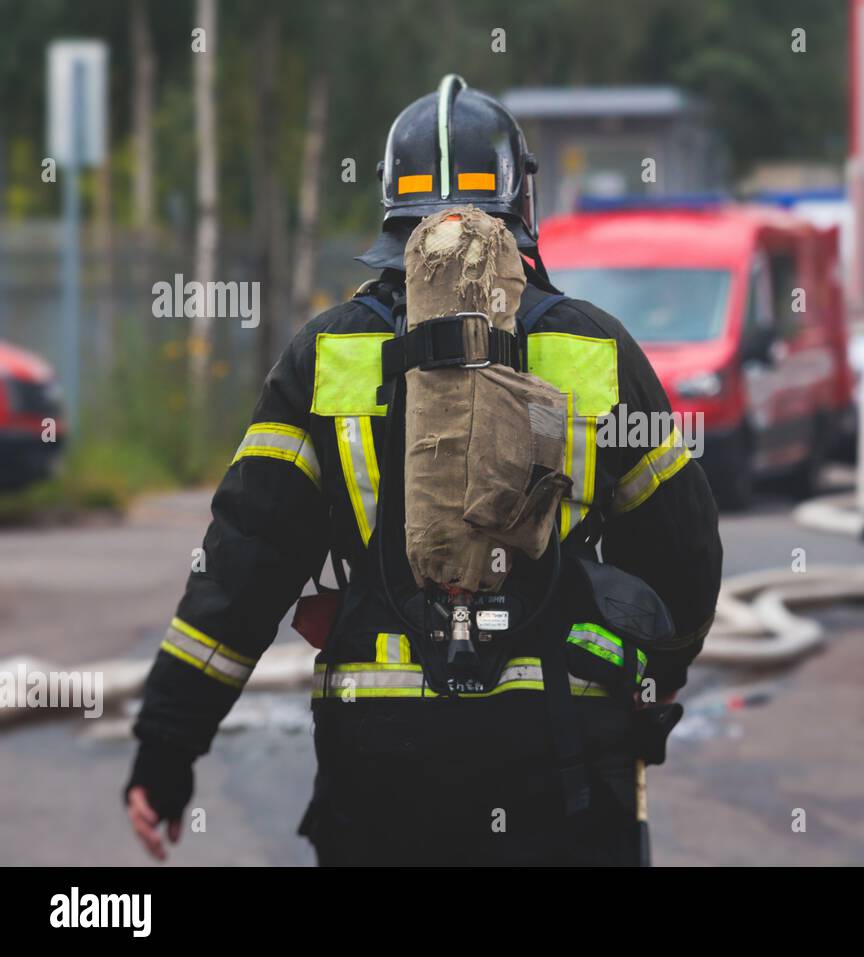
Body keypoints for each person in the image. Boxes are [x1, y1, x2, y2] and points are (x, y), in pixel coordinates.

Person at [124, 74, 723, 866]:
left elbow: (241, 571)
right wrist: (652, 678)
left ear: (388, 206)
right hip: (565, 767)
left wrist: (168, 746)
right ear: (523, 203)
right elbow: (685, 558)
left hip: (382, 776)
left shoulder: (326, 355)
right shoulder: (597, 349)